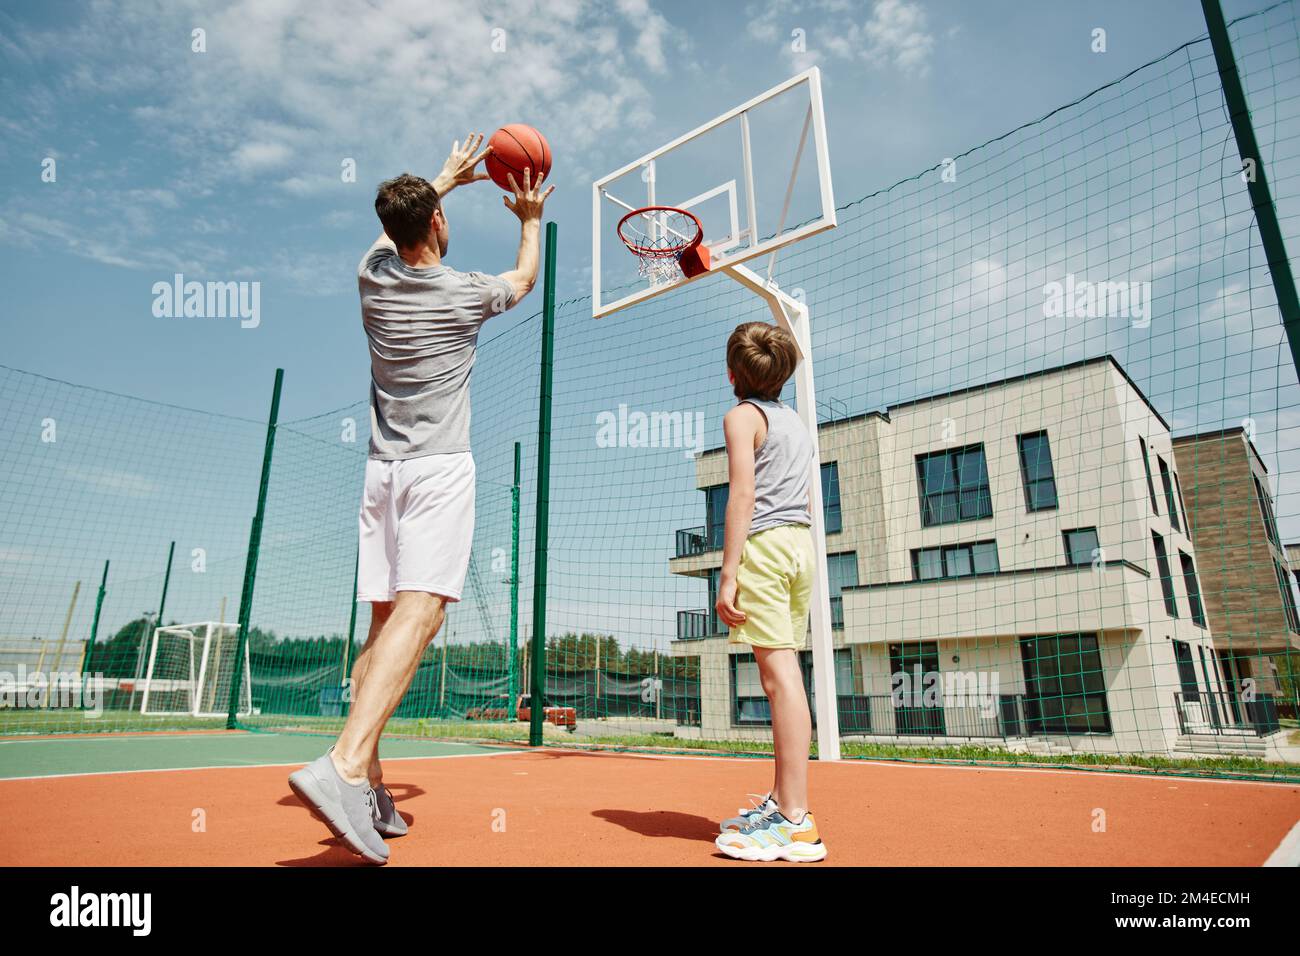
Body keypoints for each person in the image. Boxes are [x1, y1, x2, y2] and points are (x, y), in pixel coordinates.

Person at [288, 133, 554, 864]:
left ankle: (369, 785)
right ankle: (342, 767)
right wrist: (528, 214)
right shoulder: (466, 291)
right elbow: (525, 278)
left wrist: (444, 177)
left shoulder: (370, 276)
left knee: (383, 623)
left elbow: (387, 237)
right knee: (424, 608)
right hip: (436, 470)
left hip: (381, 473)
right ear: (437, 224)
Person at [711, 321, 828, 863]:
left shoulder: (741, 417)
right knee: (786, 673)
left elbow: (742, 494)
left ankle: (796, 820)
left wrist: (729, 570)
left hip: (767, 546)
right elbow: (803, 498)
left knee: (780, 679)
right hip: (802, 547)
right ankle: (784, 801)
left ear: (734, 374)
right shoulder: (797, 424)